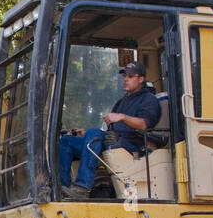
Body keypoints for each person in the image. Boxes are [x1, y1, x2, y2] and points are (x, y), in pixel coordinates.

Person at [59, 60, 161, 199]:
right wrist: (86, 135)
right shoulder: (122, 101)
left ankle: (82, 188)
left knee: (94, 133)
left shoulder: (148, 99)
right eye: (124, 76)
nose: (125, 79)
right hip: (113, 139)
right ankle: (62, 187)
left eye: (130, 77)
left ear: (141, 79)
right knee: (67, 141)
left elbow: (144, 124)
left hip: (132, 144)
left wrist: (122, 117)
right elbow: (110, 129)